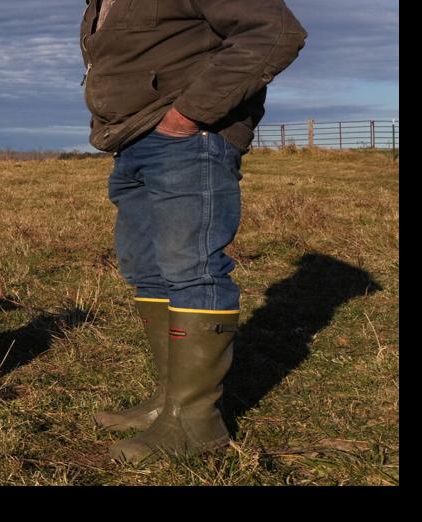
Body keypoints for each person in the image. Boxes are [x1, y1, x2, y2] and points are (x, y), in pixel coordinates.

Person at [81, 0, 306, 461]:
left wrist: (189, 114)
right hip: (133, 141)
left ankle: (194, 423)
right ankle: (169, 402)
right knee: (148, 268)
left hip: (187, 139)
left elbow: (277, 31)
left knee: (191, 269)